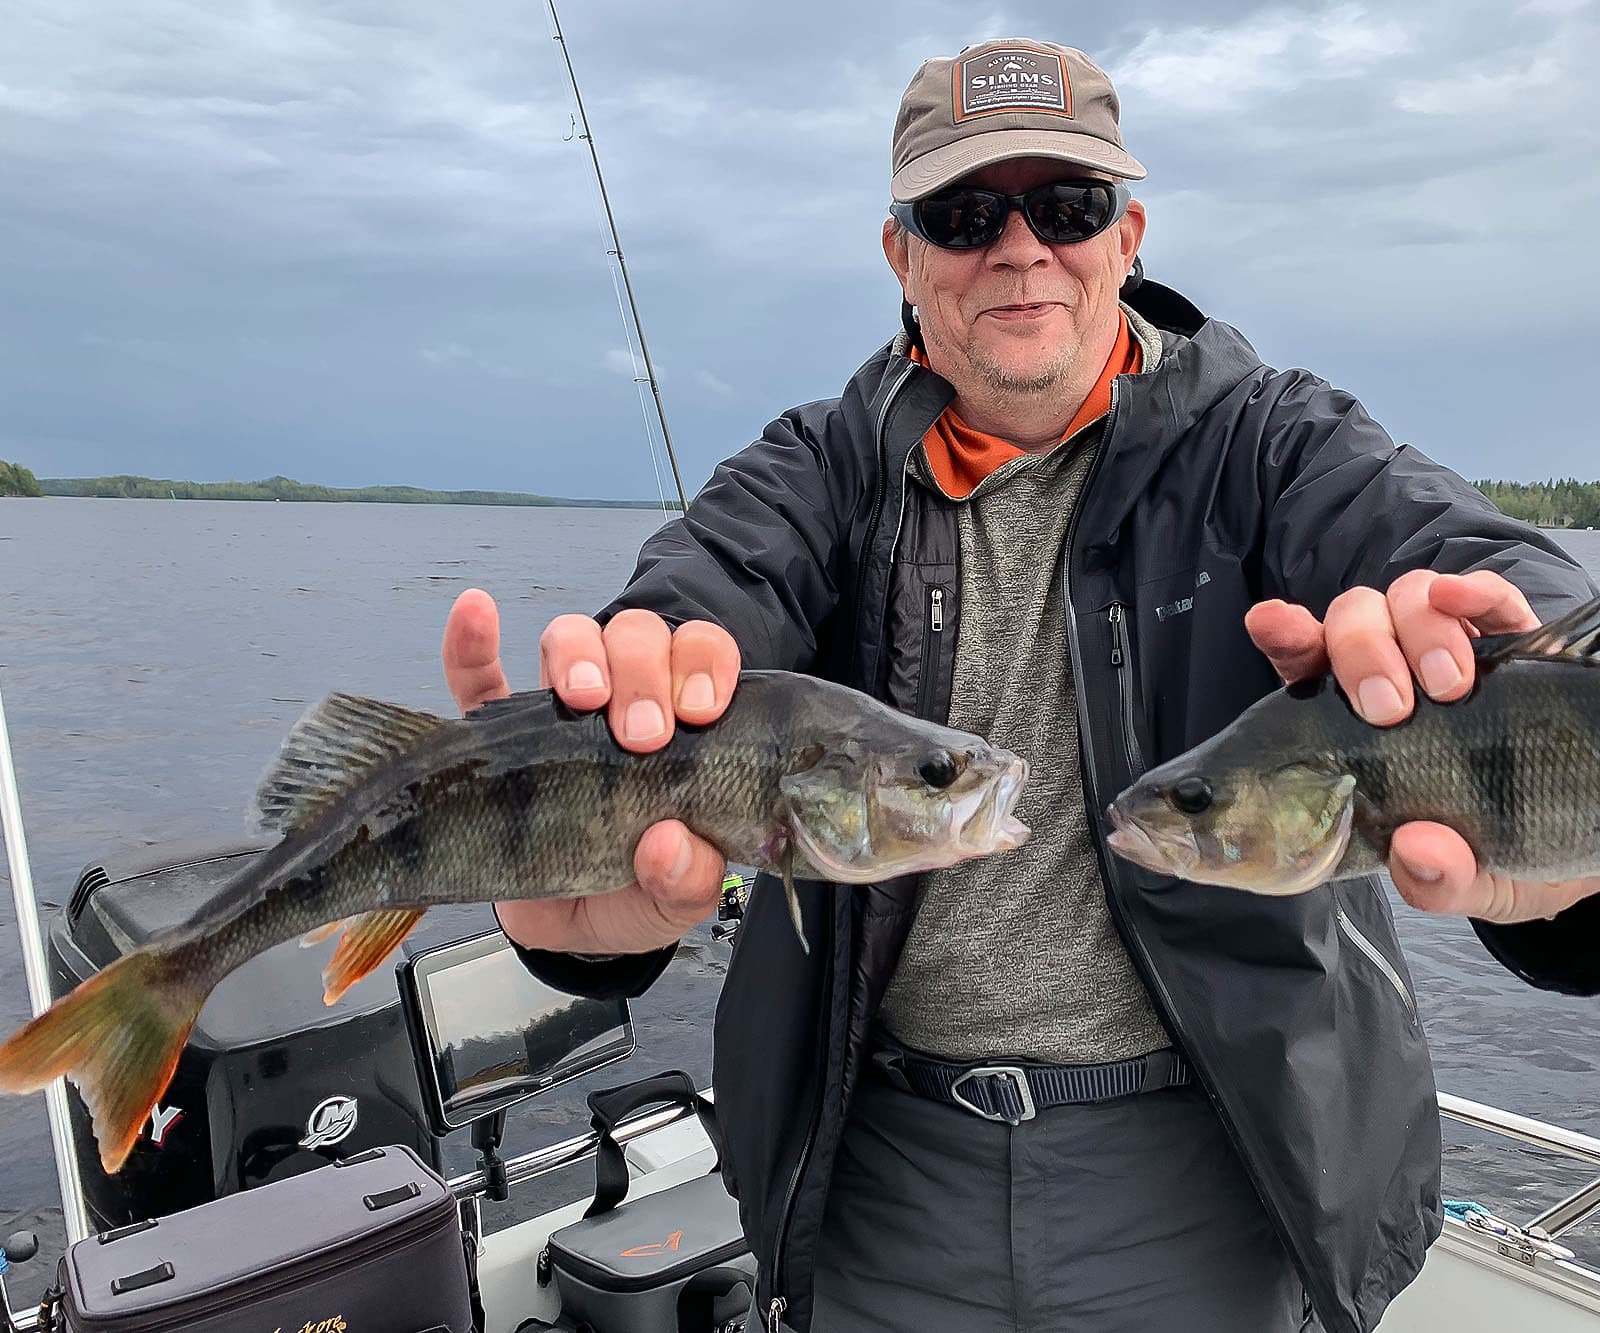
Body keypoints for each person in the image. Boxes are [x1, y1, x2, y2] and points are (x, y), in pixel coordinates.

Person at [441, 38, 1600, 1333]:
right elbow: (698, 597)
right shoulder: (816, 469)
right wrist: (592, 814)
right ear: (901, 255)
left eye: (1066, 204)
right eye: (961, 212)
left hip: (1212, 1165)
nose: (1019, 246)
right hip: (882, 1180)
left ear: (1128, 235)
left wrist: (1543, 724)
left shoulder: (1275, 442)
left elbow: (1480, 564)